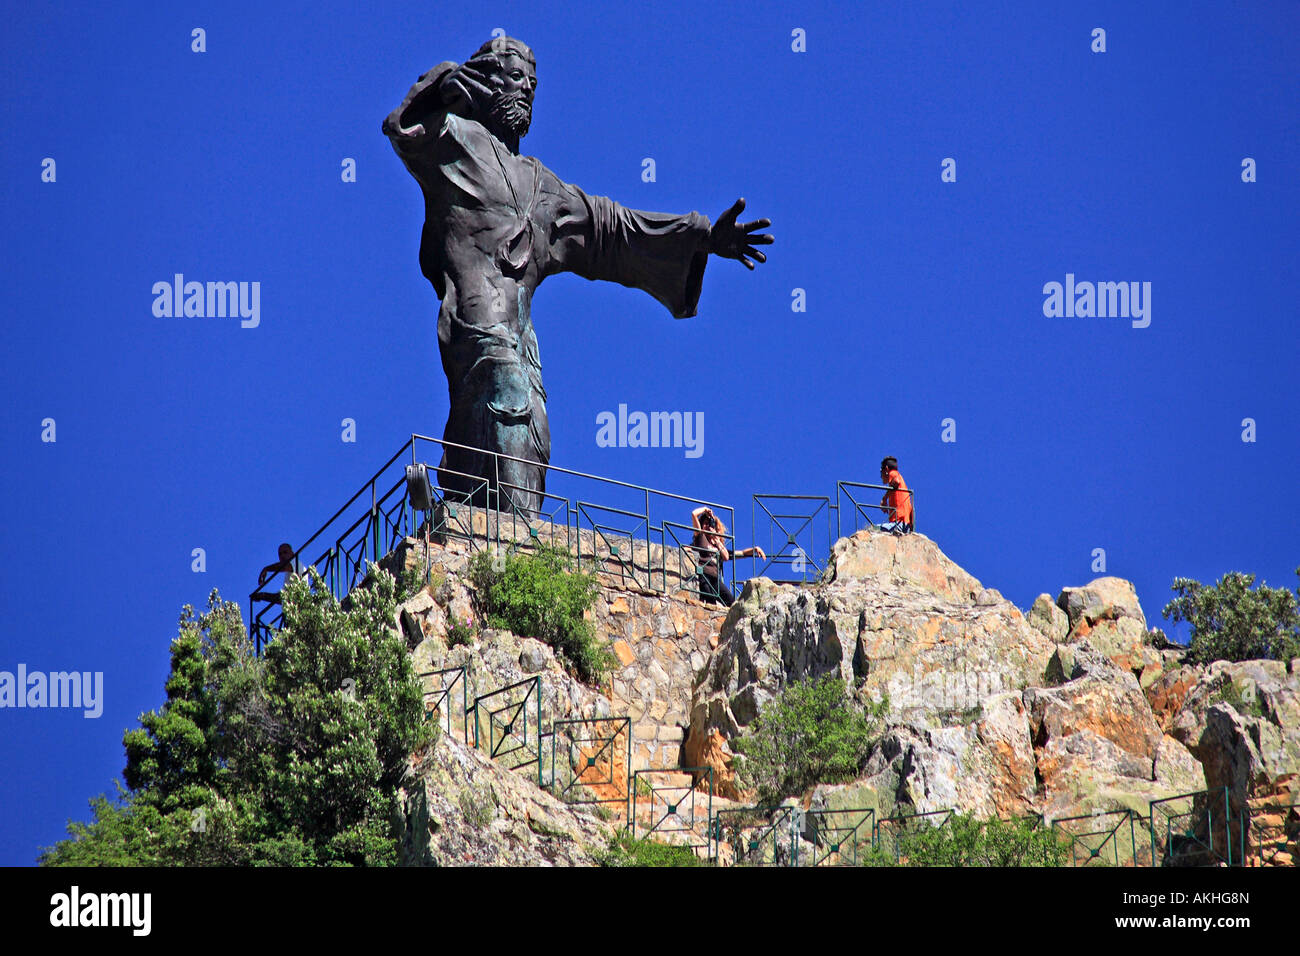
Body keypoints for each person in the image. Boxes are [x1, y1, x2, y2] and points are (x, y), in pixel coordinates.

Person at [383, 37, 773, 516]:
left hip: (521, 332)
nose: (525, 89)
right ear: (485, 78)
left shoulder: (542, 185)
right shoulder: (456, 142)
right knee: (506, 389)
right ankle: (514, 546)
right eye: (514, 77)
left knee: (533, 431)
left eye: (532, 82)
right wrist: (444, 82)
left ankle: (481, 522)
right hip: (476, 316)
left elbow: (611, 228)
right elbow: (403, 128)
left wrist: (702, 237)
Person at [690, 507, 765, 606]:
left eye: (709, 523)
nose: (707, 526)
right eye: (705, 523)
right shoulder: (701, 537)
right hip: (704, 575)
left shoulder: (719, 546)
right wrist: (705, 509)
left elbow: (740, 553)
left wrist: (755, 549)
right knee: (710, 601)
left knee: (731, 601)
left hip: (715, 579)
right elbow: (694, 514)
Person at [877, 457, 914, 534]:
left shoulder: (893, 473)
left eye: (881, 471)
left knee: (873, 529)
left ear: (886, 469)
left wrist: (884, 499)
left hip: (898, 524)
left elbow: (896, 481)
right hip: (905, 525)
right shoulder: (903, 487)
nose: (880, 476)